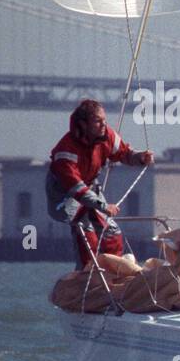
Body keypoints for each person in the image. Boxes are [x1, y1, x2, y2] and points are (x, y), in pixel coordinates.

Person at [46, 99, 153, 268]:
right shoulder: (66, 152)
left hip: (89, 189)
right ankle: (86, 276)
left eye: (104, 120)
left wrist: (140, 158)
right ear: (83, 124)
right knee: (86, 229)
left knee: (112, 232)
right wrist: (104, 206)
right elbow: (76, 189)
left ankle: (114, 272)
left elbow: (124, 154)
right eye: (97, 121)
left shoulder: (107, 136)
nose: (103, 124)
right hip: (65, 198)